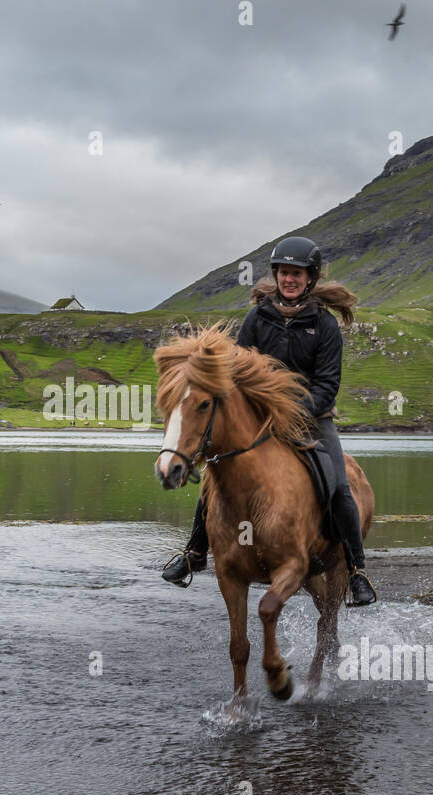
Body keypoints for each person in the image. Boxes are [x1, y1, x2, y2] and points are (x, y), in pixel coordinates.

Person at [161, 236, 377, 606]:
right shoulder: (257, 318)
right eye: (283, 273)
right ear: (275, 275)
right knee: (213, 477)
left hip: (311, 418)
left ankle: (357, 571)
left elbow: (328, 385)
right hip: (261, 420)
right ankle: (193, 553)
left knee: (340, 484)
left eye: (296, 273)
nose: (289, 279)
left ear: (309, 278)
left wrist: (295, 408)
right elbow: (238, 372)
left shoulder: (324, 326)